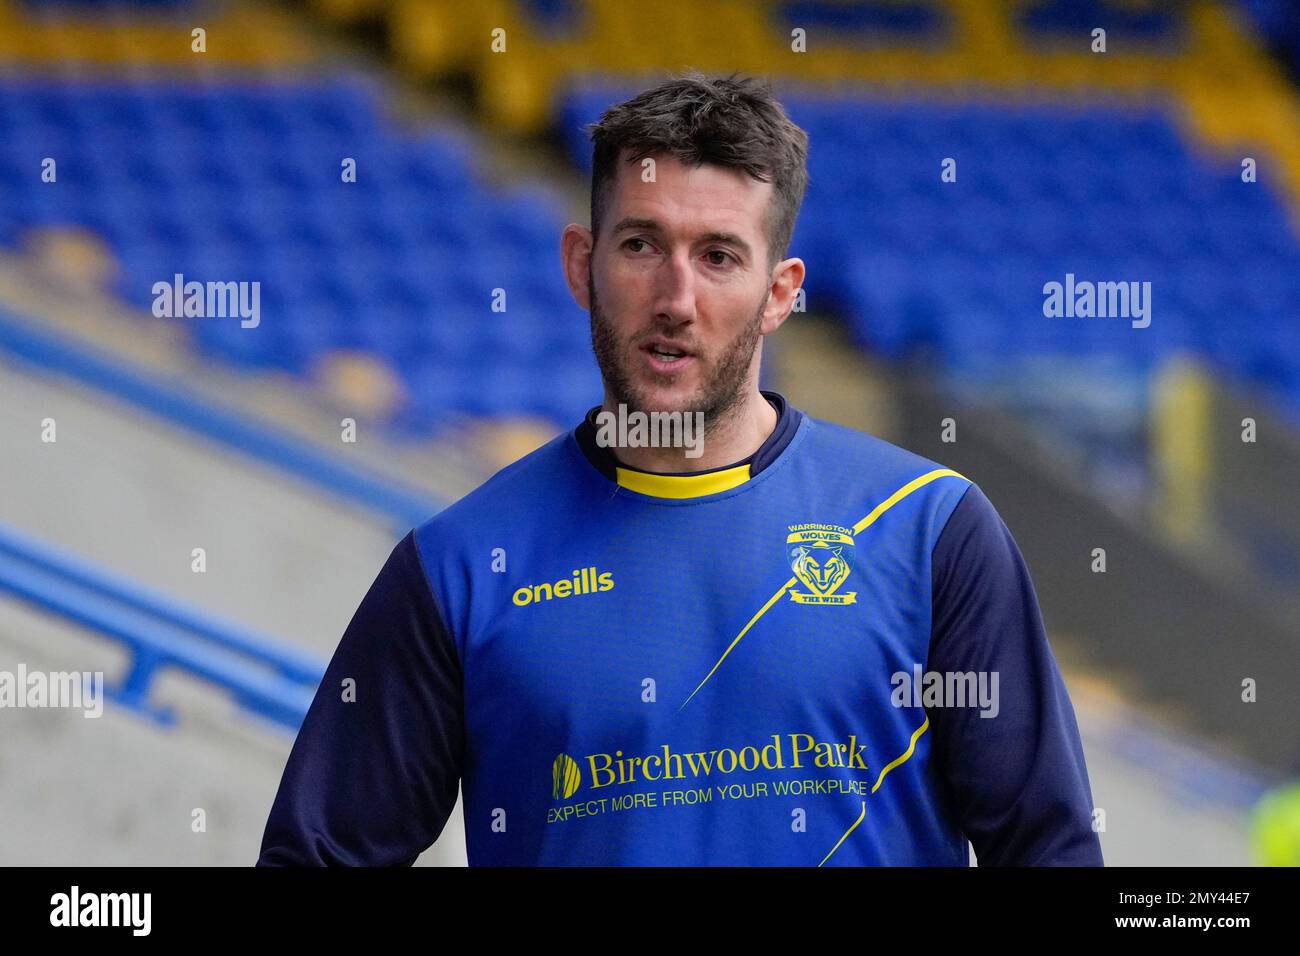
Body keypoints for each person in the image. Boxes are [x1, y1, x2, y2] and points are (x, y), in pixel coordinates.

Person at [257, 71, 1103, 866]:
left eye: (720, 256)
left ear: (780, 293)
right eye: (641, 244)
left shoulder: (930, 534)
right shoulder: (460, 569)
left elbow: (1050, 851)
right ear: (581, 266)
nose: (676, 297)